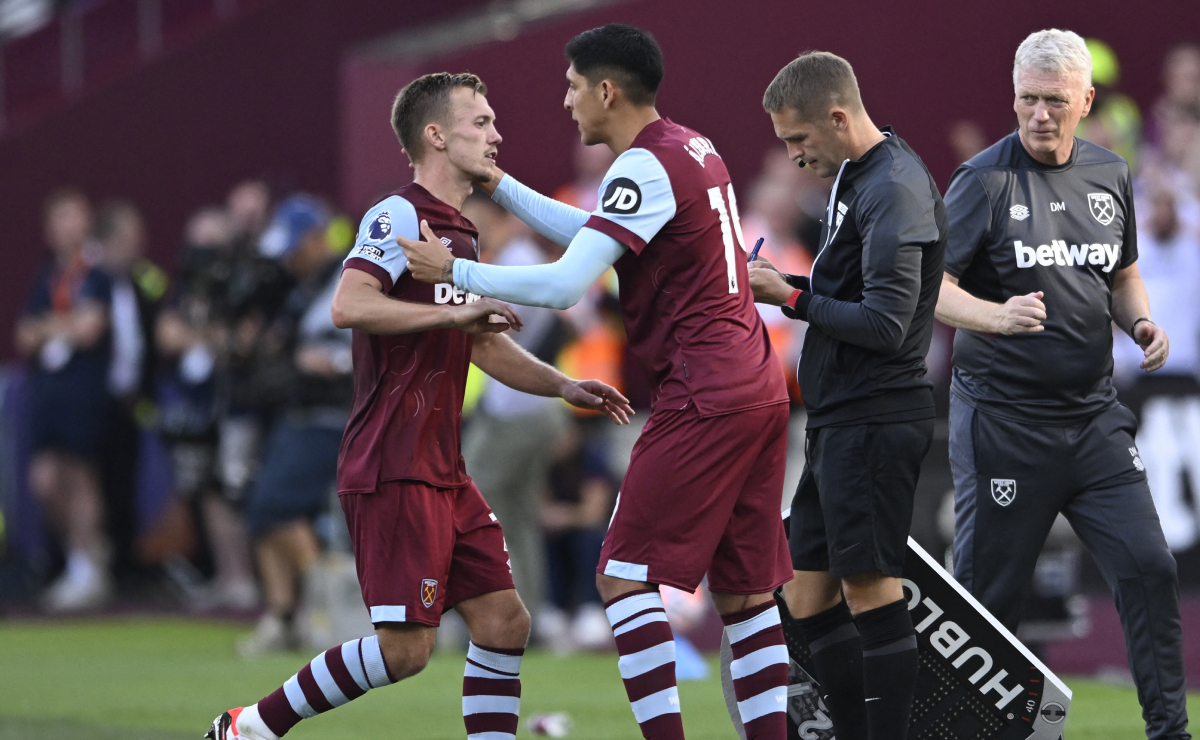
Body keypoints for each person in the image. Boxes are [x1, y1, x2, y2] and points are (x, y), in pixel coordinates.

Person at [206, 71, 632, 740]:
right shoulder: (398, 214)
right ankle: (251, 726)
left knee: (503, 620)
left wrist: (561, 385)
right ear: (436, 135)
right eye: (480, 122)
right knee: (405, 651)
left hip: (442, 465)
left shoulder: (458, 235)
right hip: (393, 461)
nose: (497, 134)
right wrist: (451, 316)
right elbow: (351, 305)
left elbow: (480, 347)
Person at [401, 25, 793, 740]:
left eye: (574, 85)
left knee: (620, 578)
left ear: (605, 90)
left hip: (702, 391)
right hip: (756, 386)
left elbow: (562, 283)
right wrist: (502, 187)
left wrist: (451, 272)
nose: (566, 100)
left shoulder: (642, 166)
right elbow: (597, 229)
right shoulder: (692, 147)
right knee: (746, 595)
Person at [934, 29, 1188, 740]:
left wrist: (1139, 324)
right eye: (1026, 100)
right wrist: (996, 315)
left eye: (1053, 101)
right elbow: (932, 292)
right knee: (988, 604)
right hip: (1003, 423)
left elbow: (1122, 271)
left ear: (1085, 101)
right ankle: (978, 731)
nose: (1039, 115)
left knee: (1147, 566)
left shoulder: (1110, 172)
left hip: (1093, 419)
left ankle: (1170, 731)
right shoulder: (981, 181)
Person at [747, 52, 947, 740]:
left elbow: (889, 326)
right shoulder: (854, 175)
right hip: (838, 417)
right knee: (807, 593)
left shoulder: (892, 187)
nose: (795, 156)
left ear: (837, 116)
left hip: (875, 412)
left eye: (799, 140)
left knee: (869, 590)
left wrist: (792, 297)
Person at [236, 194, 354, 656]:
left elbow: (369, 343)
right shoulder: (302, 287)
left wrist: (332, 362)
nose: (289, 258)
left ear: (316, 237)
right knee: (261, 510)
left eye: (295, 246)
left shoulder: (348, 274)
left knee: (276, 505)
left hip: (331, 415)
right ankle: (283, 615)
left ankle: (322, 606)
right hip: (298, 412)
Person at [459, 195, 569, 638]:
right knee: (518, 517)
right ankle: (527, 617)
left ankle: (476, 619)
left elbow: (490, 325)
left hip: (518, 415)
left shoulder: (517, 258)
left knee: (467, 506)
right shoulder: (511, 258)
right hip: (530, 411)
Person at [15, 189, 115, 612]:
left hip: (83, 393)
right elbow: (23, 337)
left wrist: (48, 328)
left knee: (79, 477)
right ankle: (80, 559)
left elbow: (90, 329)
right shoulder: (47, 275)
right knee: (43, 480)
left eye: (77, 217)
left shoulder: (97, 274)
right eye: (62, 218)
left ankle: (91, 568)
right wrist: (63, 326)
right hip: (48, 395)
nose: (71, 226)